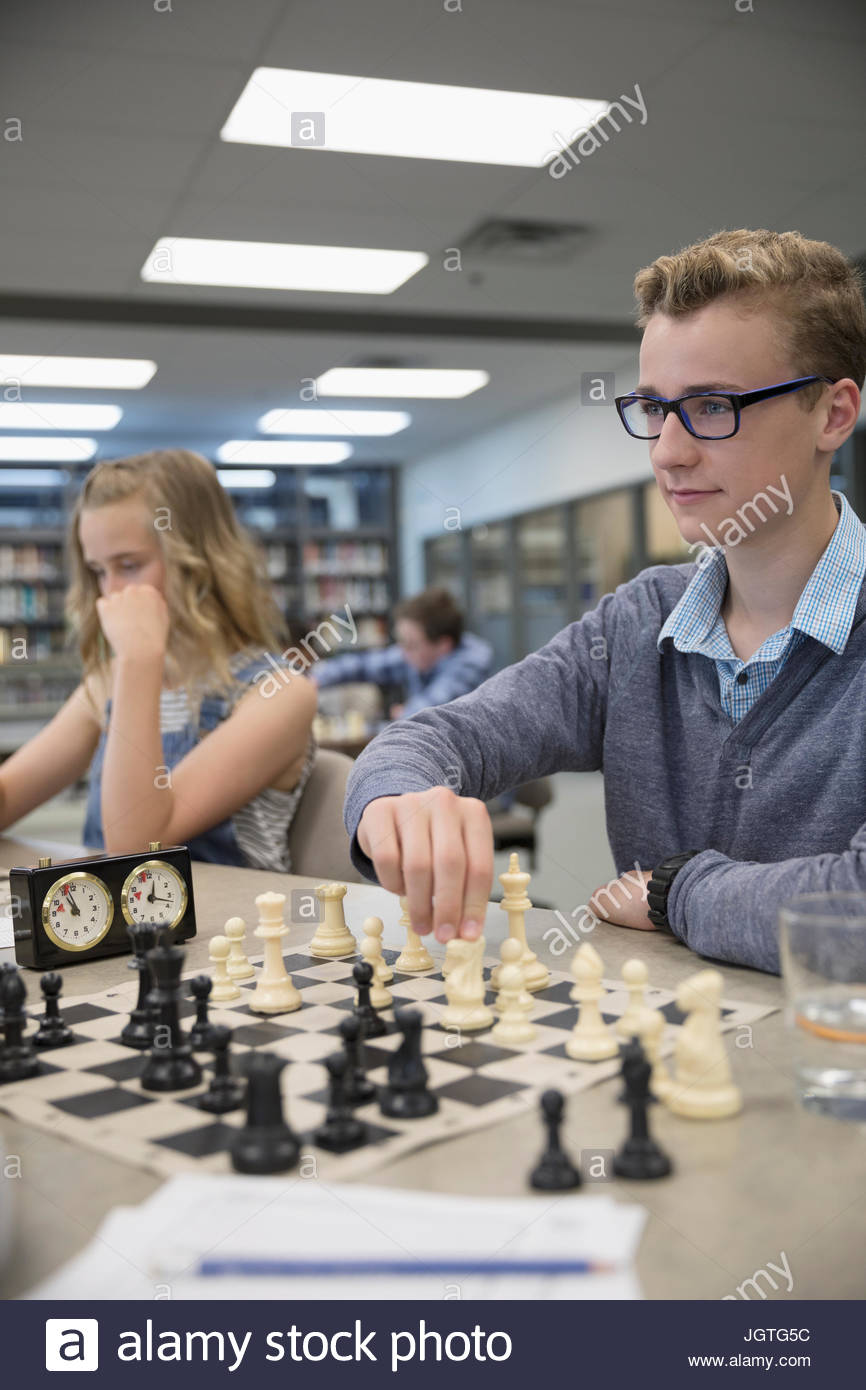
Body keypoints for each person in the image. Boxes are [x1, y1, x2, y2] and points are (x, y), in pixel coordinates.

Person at [343, 228, 865, 975]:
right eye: (655, 408)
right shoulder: (639, 623)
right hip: (670, 1064)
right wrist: (396, 800)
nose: (667, 451)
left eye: (713, 406)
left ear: (834, 414)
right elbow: (443, 736)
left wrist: (675, 891)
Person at [0, 449, 317, 870]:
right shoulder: (106, 683)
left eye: (129, 565)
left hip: (225, 928)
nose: (110, 594)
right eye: (98, 571)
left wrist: (138, 661)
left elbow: (133, 846)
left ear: (200, 561)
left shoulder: (278, 695)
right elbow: (9, 798)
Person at [312, 587, 492, 718]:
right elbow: (365, 665)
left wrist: (406, 711)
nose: (402, 653)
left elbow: (426, 712)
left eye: (411, 645)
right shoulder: (416, 654)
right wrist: (313, 680)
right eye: (401, 642)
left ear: (443, 645)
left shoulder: (470, 663)